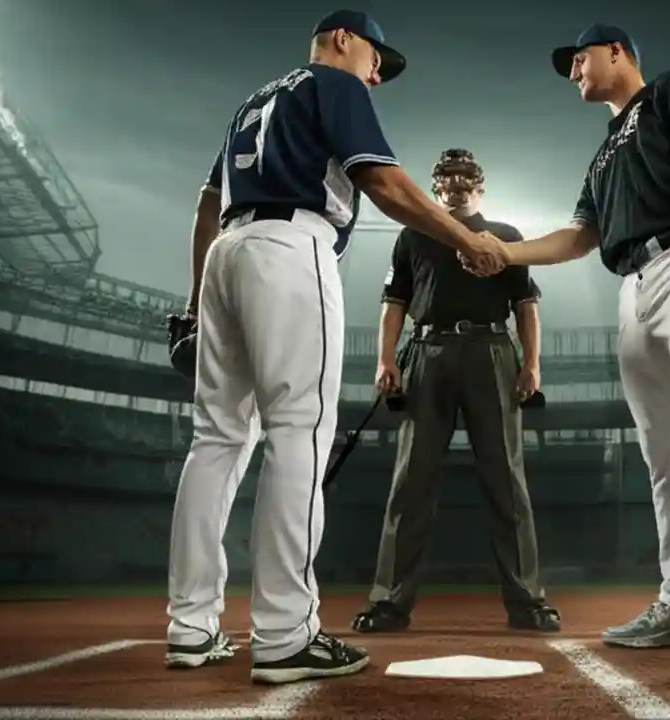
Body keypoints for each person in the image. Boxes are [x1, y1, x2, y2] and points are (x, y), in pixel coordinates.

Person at [163, 9, 507, 685]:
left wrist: (194, 302)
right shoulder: (334, 84)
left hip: (226, 257)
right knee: (299, 433)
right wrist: (465, 238)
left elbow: (207, 204)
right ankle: (287, 633)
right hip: (292, 247)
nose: (378, 74)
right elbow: (383, 181)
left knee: (216, 442)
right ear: (342, 40)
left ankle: (190, 625)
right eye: (376, 57)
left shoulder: (255, 100)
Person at [463, 23, 670, 680]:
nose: (572, 71)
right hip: (633, 288)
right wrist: (508, 253)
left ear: (617, 52)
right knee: (664, 460)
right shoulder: (602, 155)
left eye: (578, 58)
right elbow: (579, 237)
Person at [350, 149, 562, 635]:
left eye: (467, 176)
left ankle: (528, 602)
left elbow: (526, 305)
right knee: (411, 482)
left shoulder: (505, 236)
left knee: (506, 479)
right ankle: (388, 604)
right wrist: (385, 360)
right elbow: (394, 302)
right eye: (448, 176)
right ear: (436, 185)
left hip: (491, 348)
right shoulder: (413, 234)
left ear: (480, 186)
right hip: (428, 350)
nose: (458, 183)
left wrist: (532, 363)